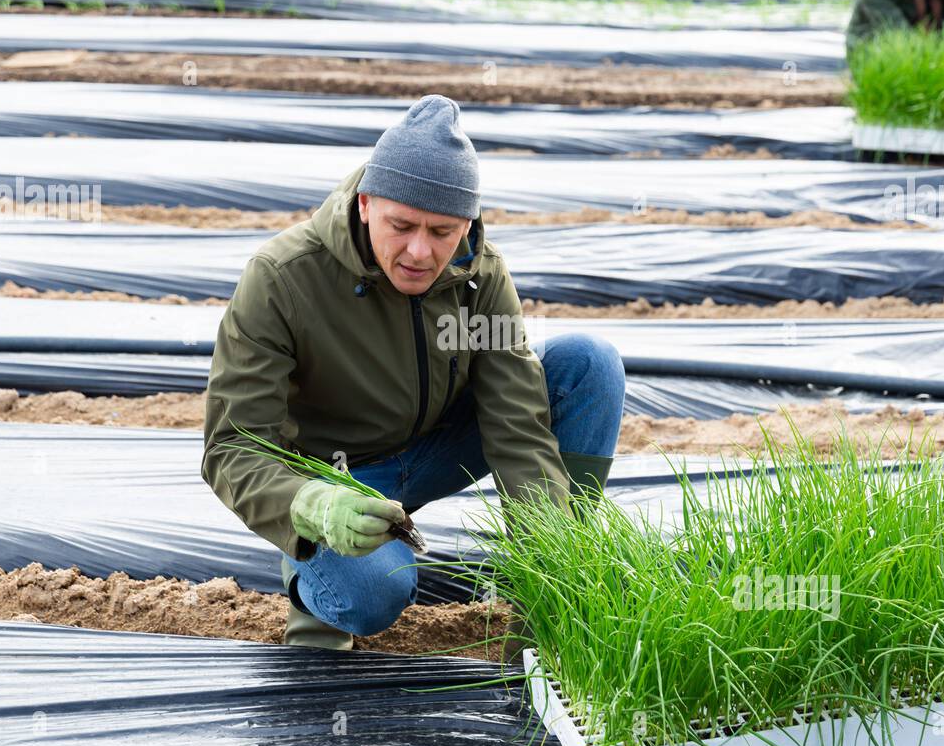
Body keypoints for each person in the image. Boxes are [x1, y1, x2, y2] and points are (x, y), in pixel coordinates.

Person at [201, 94, 626, 650]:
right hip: (339, 477)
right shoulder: (283, 279)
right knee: (375, 592)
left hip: (436, 448)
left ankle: (546, 617)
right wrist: (314, 506)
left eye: (443, 231)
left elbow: (517, 424)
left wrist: (553, 567)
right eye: (401, 225)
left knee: (588, 365)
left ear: (467, 224)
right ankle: (314, 586)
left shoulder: (478, 277)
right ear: (365, 204)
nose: (421, 252)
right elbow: (232, 447)